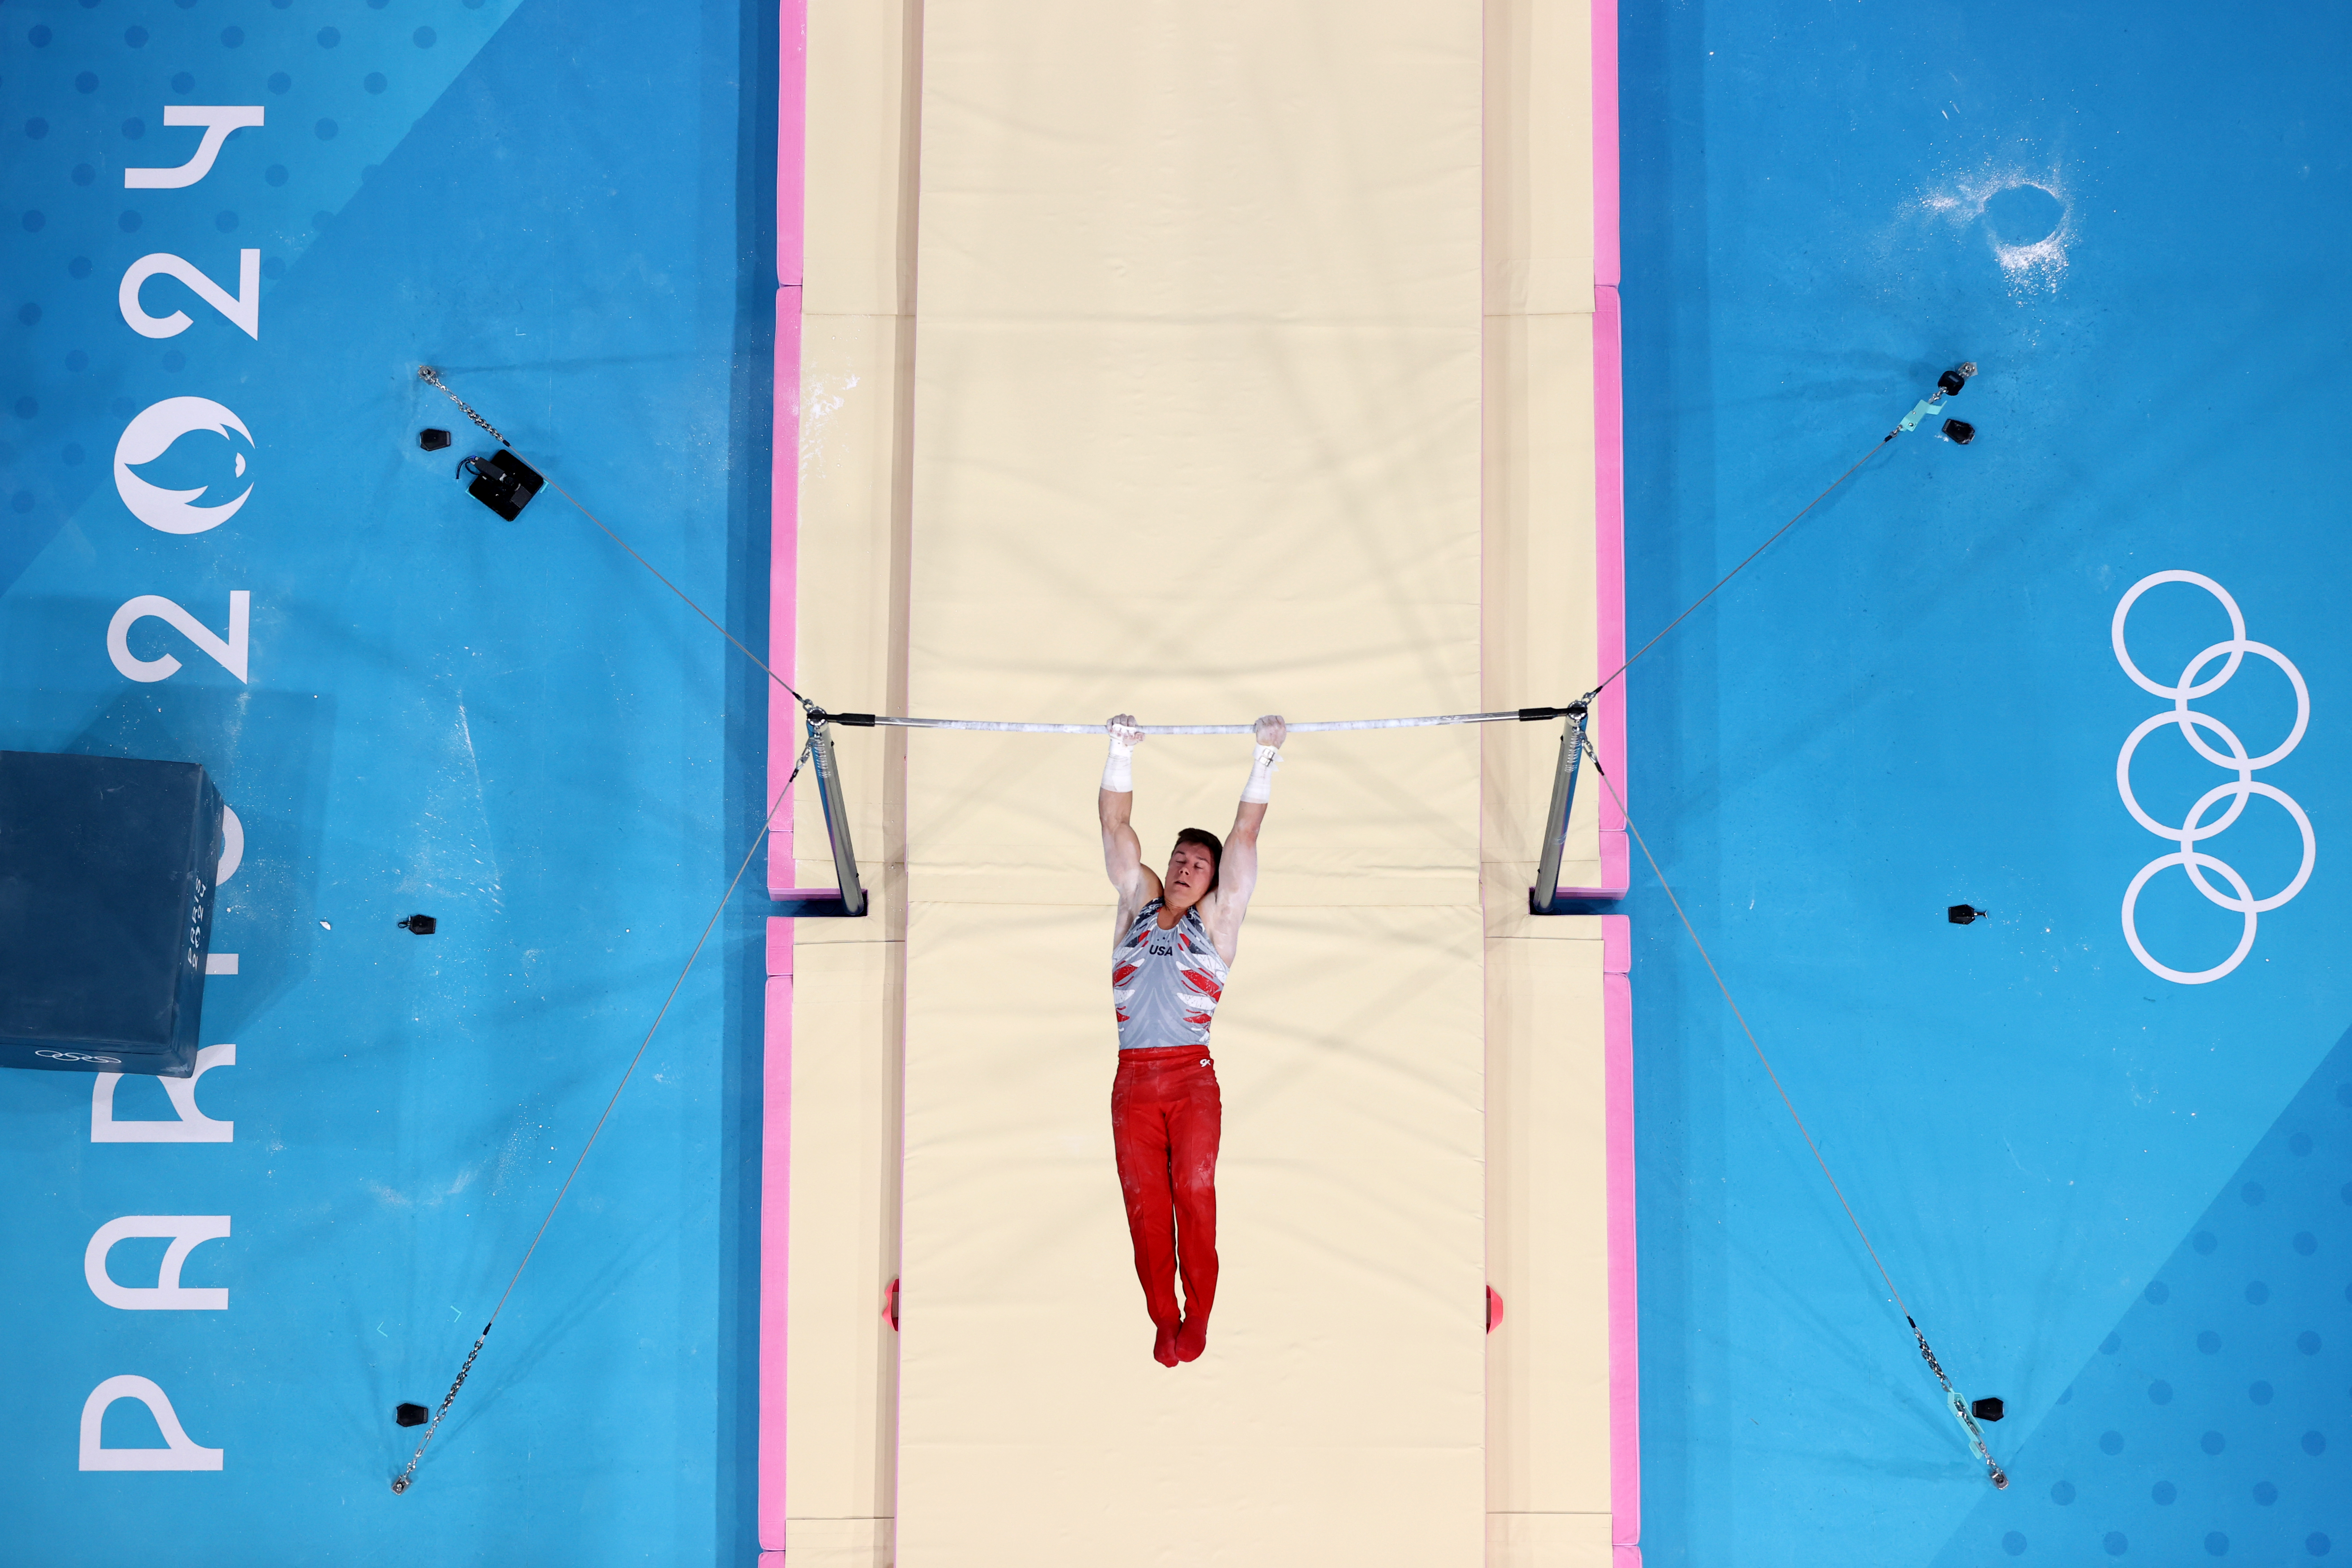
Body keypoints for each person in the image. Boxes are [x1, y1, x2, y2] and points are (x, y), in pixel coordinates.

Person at [1097, 712, 1286, 1367]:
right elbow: (1116, 828)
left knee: (1192, 1191)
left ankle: (1198, 1312)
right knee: (1147, 1205)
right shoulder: (1136, 902)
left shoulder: (1218, 924)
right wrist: (1120, 751)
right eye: (1178, 858)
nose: (1184, 868)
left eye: (1199, 865)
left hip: (1189, 1080)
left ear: (1212, 883)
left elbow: (1245, 834)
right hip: (1133, 1086)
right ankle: (1161, 1315)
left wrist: (1265, 757)